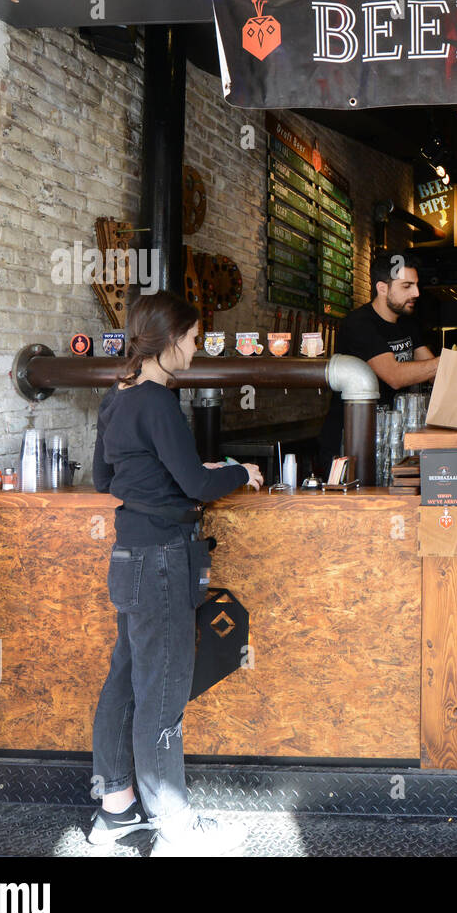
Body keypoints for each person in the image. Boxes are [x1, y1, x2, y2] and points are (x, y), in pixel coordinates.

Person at [88, 290, 263, 857]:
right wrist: (238, 471)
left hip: (129, 556)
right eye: (191, 338)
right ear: (167, 341)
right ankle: (176, 827)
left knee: (124, 682)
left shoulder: (116, 398)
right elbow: (198, 485)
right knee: (162, 693)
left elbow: (106, 479)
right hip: (164, 558)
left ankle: (116, 810)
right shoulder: (160, 402)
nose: (194, 348)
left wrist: (183, 472)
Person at [316, 253, 439, 475]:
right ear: (382, 288)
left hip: (391, 437)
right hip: (352, 440)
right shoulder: (359, 324)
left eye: (416, 285)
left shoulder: (407, 323)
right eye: (407, 286)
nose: (416, 293)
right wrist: (450, 362)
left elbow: (433, 372)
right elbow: (395, 376)